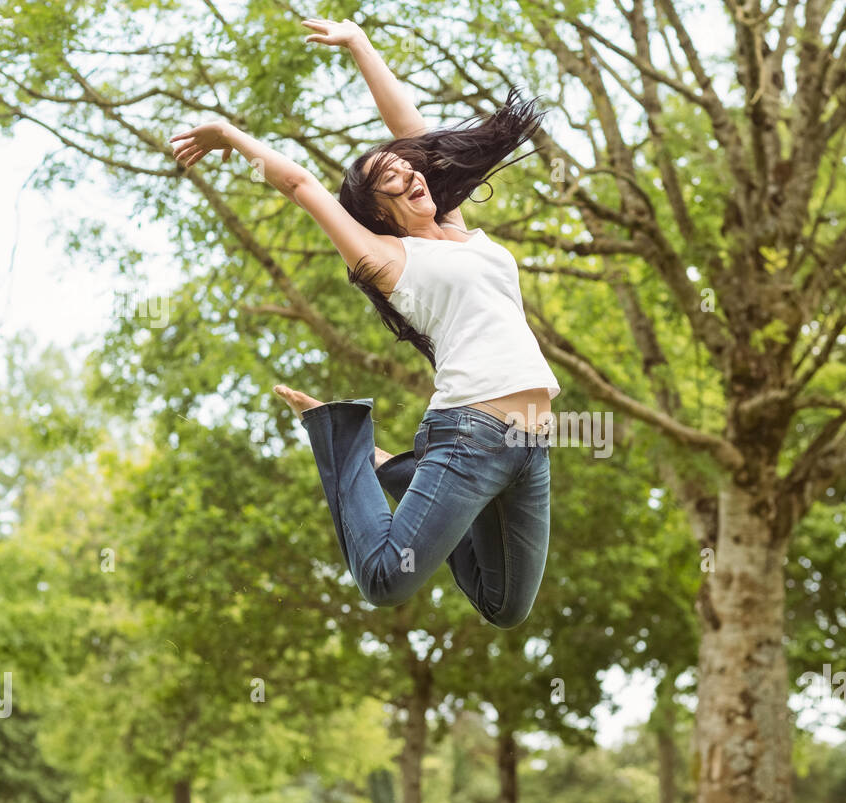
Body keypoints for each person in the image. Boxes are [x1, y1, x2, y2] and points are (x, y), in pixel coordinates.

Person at [169, 18, 560, 628]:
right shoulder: (388, 261)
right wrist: (231, 137)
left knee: (504, 608)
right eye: (394, 184)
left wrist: (360, 44)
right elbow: (300, 184)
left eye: (411, 172)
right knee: (383, 580)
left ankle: (398, 470)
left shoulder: (456, 230)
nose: (413, 178)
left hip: (529, 445)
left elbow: (414, 133)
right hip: (470, 435)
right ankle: (345, 442)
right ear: (380, 215)